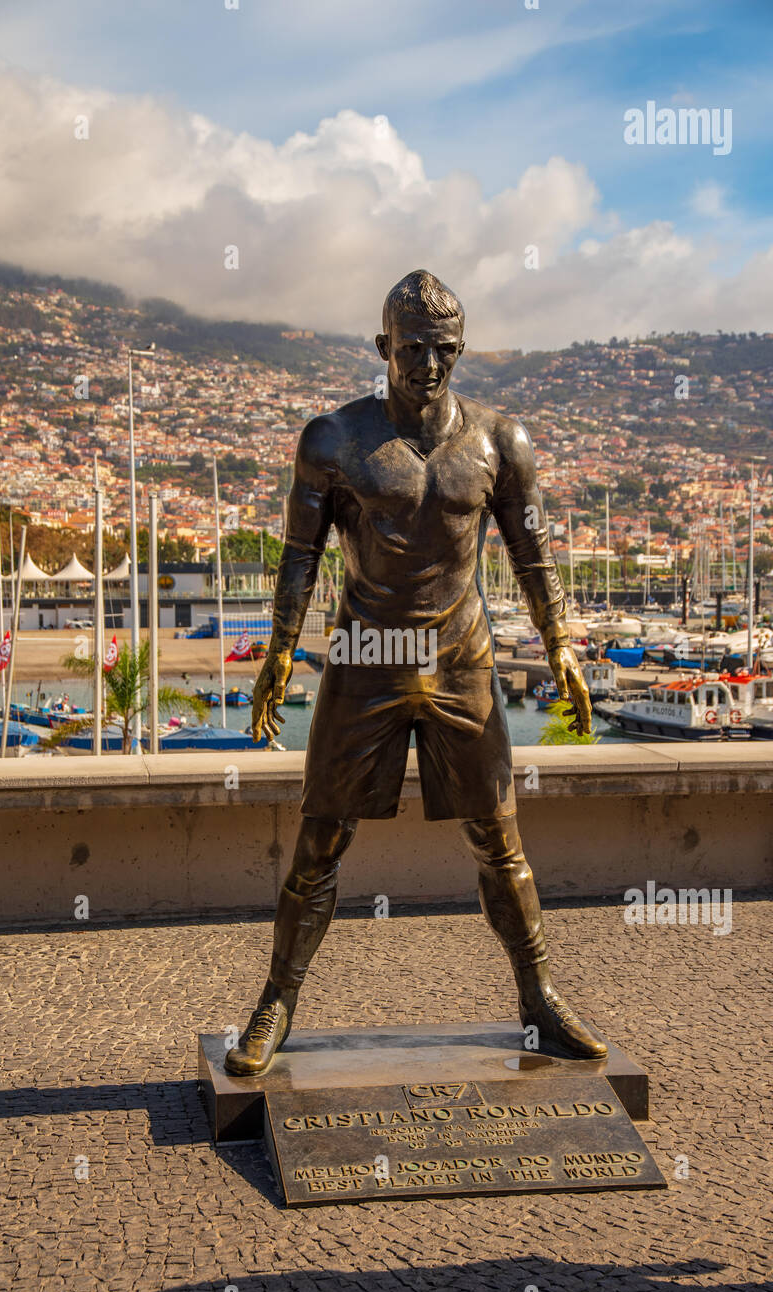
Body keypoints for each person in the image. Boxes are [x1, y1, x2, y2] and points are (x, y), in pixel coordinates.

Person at [226, 269, 606, 1076]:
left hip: (460, 655)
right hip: (365, 655)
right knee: (321, 836)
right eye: (410, 350)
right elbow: (299, 556)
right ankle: (277, 1000)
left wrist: (560, 644)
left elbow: (532, 555)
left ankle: (537, 994)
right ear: (381, 349)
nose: (426, 365)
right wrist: (279, 652)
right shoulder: (333, 439)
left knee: (498, 838)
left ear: (459, 350)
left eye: (441, 351)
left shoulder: (501, 443)